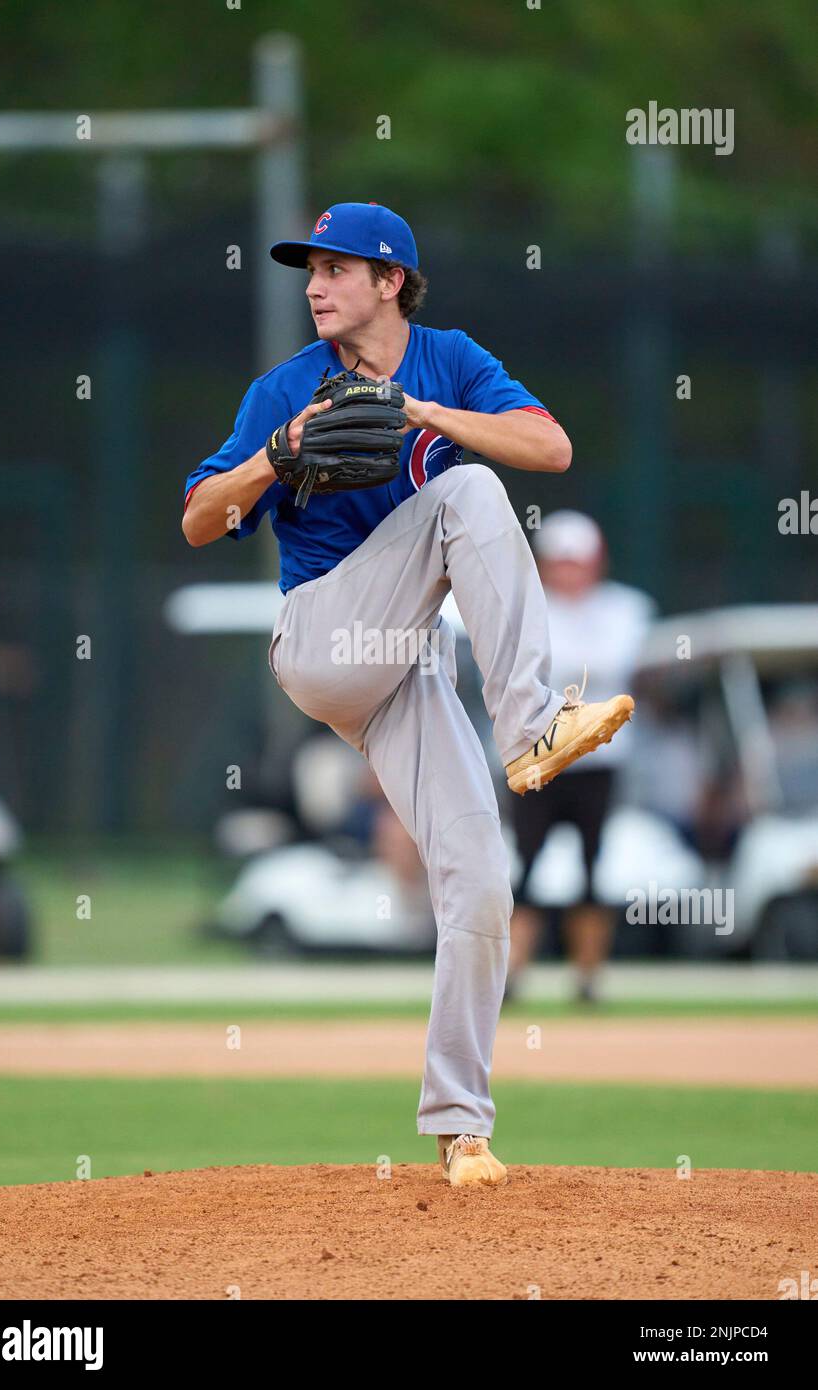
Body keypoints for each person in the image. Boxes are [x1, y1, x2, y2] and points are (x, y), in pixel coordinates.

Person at [182, 202, 634, 1186]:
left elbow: (549, 448)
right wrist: (278, 453)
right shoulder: (285, 387)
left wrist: (427, 414)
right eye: (308, 270)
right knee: (466, 495)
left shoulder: (448, 359)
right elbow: (197, 518)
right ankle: (532, 723)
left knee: (478, 873)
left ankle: (459, 1126)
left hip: (401, 662)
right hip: (319, 633)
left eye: (336, 269)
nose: (313, 285)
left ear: (389, 282)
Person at [505, 511, 655, 1004]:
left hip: (597, 759)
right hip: (538, 757)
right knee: (526, 864)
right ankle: (511, 975)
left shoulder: (625, 609)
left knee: (593, 865)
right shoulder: (529, 605)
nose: (570, 572)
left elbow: (577, 668)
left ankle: (588, 978)